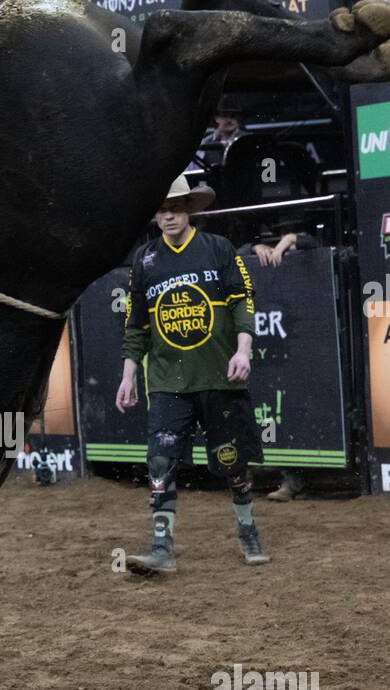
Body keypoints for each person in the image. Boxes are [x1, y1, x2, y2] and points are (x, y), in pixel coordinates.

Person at [116, 175, 269, 570]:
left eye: (175, 208)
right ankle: (161, 548)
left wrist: (243, 349)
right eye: (162, 210)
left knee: (233, 462)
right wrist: (129, 374)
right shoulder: (145, 260)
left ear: (188, 209)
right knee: (161, 462)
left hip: (219, 376)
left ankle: (248, 532)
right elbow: (136, 325)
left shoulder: (218, 248)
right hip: (167, 381)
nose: (167, 216)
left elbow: (242, 300)